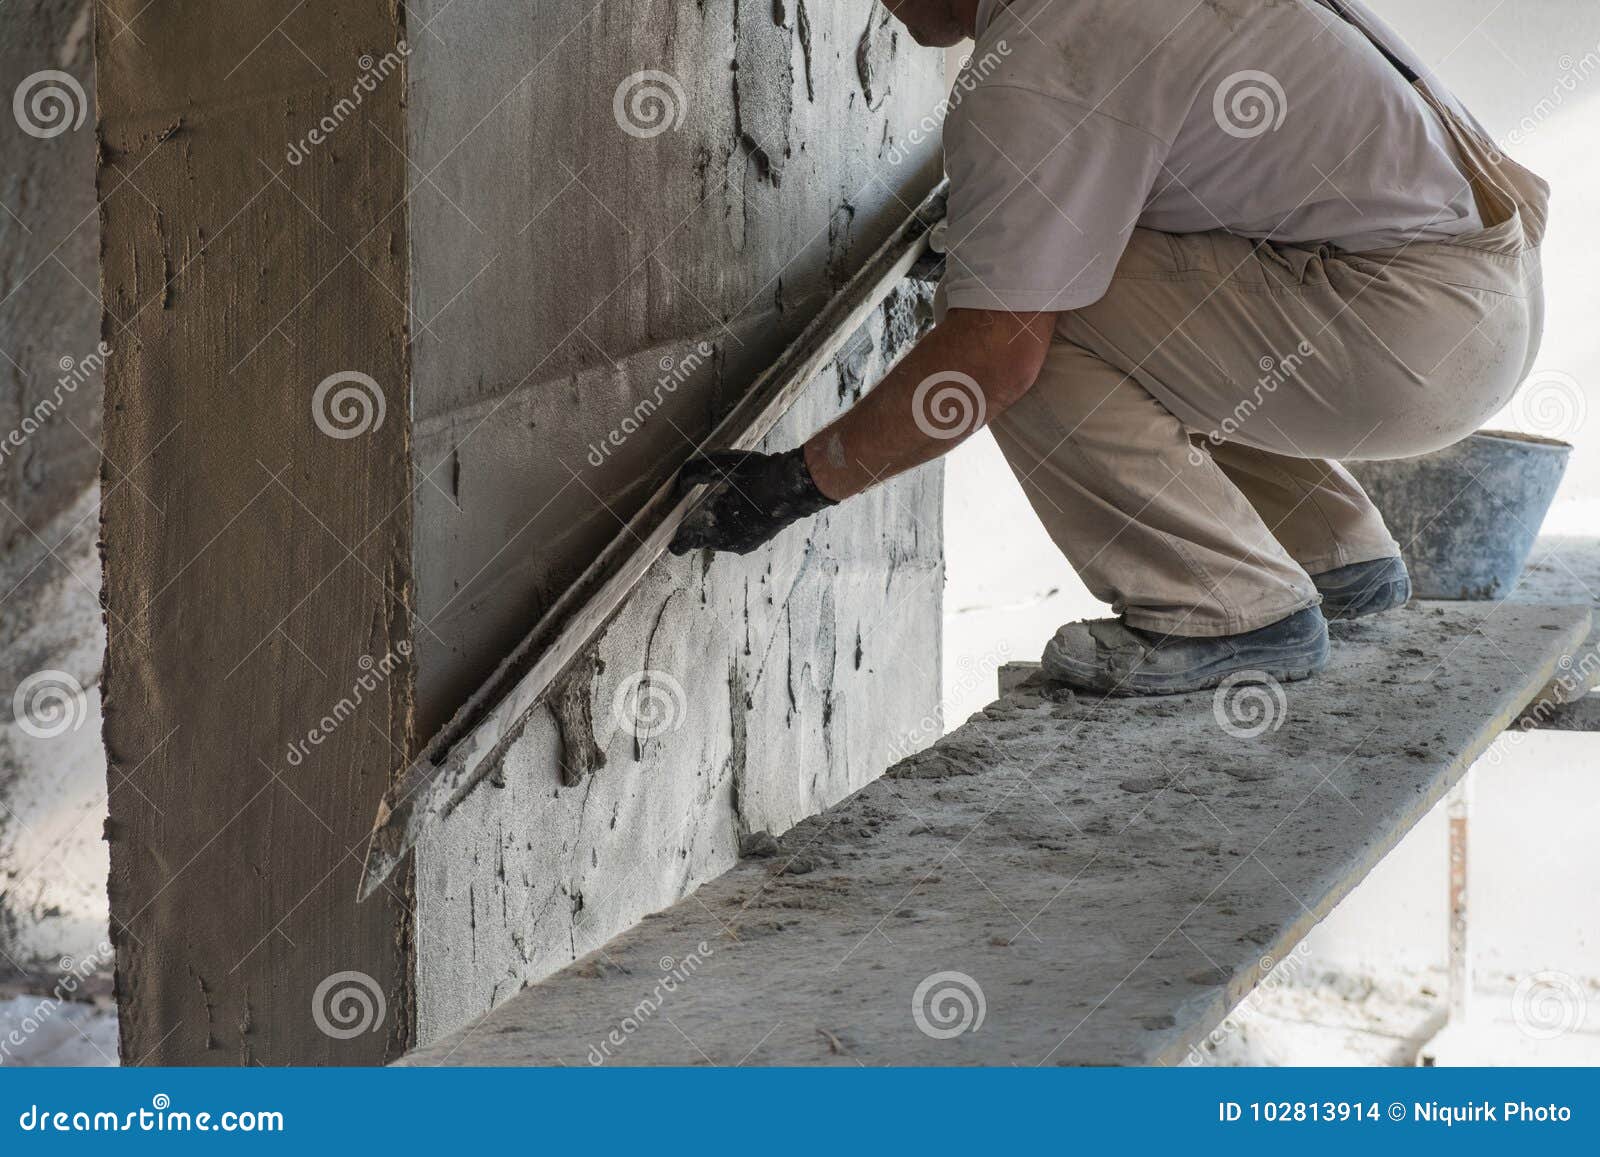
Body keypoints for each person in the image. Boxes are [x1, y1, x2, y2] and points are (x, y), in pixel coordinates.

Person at [669, 0, 1548, 696]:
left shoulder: (1041, 59)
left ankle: (1225, 607)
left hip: (1404, 332)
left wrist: (798, 482)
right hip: (1478, 298)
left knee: (1031, 320)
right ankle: (1331, 550)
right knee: (1066, 275)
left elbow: (991, 362)